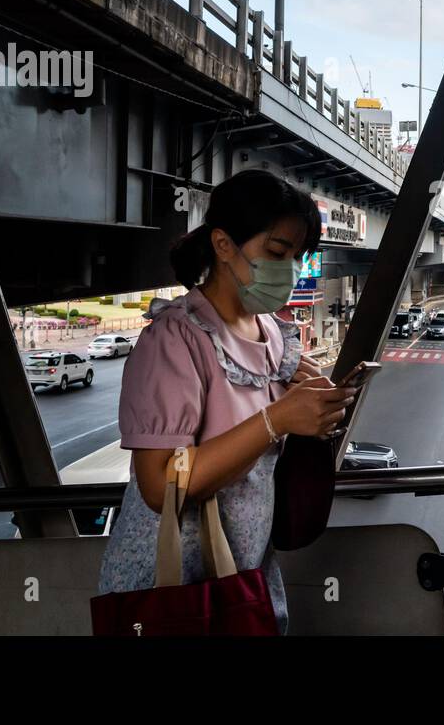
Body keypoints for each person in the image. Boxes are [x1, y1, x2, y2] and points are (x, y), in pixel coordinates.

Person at [97, 169, 356, 634]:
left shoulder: (275, 336)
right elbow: (159, 486)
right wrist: (276, 419)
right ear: (222, 245)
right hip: (171, 591)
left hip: (243, 577)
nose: (292, 269)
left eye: (300, 256)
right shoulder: (175, 340)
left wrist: (314, 412)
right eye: (278, 252)